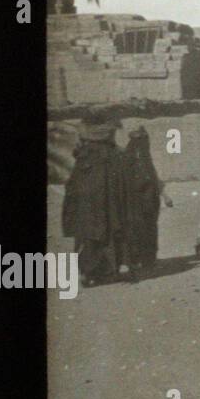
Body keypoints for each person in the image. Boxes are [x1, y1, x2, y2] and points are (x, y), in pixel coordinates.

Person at [61, 121, 131, 286]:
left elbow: (72, 186)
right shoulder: (112, 156)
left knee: (90, 240)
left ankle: (90, 273)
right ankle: (100, 273)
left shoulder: (86, 155)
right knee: (104, 239)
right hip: (106, 210)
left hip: (88, 212)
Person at [121, 126, 172, 273]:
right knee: (143, 230)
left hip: (146, 203)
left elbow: (153, 177)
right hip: (140, 204)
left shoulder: (138, 157)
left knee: (143, 230)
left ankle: (143, 261)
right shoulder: (134, 158)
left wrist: (165, 195)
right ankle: (144, 261)